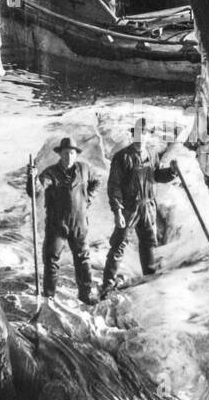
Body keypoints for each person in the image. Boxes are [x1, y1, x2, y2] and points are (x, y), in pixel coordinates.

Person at [100, 117, 177, 297]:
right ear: (132, 134)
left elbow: (157, 175)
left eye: (144, 133)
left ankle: (149, 282)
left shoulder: (151, 155)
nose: (141, 137)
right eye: (138, 133)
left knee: (148, 243)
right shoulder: (122, 157)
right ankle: (107, 285)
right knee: (119, 244)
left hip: (148, 207)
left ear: (148, 136)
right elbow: (114, 186)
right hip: (129, 208)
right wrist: (117, 210)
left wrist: (171, 172)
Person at [29, 137, 100, 304]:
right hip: (57, 224)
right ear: (60, 154)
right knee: (51, 259)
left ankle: (85, 294)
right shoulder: (50, 172)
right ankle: (49, 296)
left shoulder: (84, 169)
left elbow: (97, 181)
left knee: (82, 258)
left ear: (76, 155)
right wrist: (32, 180)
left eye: (72, 153)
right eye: (66, 153)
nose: (69, 157)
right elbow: (36, 190)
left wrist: (87, 198)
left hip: (79, 223)